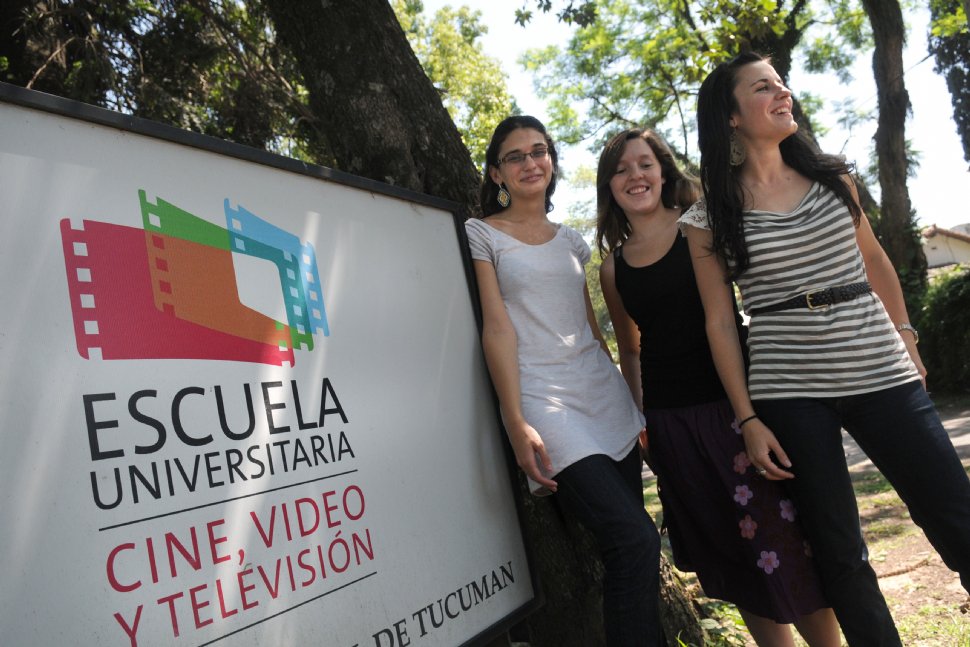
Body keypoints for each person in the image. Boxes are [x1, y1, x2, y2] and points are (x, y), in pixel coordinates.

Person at [681, 51, 970, 646]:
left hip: (879, 367)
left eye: (782, 84)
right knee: (839, 550)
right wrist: (749, 416)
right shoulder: (709, 215)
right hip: (789, 393)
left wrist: (907, 335)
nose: (782, 93)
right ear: (731, 117)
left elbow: (876, 262)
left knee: (953, 511)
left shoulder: (834, 177)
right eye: (764, 88)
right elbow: (719, 322)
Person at [596, 127, 839, 647]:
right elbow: (631, 349)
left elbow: (724, 318)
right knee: (731, 555)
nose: (635, 176)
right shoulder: (612, 269)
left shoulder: (699, 228)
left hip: (737, 409)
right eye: (621, 169)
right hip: (671, 426)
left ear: (663, 170)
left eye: (644, 164)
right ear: (608, 186)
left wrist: (747, 413)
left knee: (784, 545)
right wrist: (641, 420)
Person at [465, 115, 662, 646]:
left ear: (552, 161)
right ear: (497, 173)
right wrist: (515, 420)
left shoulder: (572, 241)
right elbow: (497, 328)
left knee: (632, 550)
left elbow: (592, 332)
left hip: (603, 395)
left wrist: (633, 405)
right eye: (515, 156)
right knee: (635, 540)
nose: (531, 163)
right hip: (545, 402)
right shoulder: (482, 234)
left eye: (539, 151)